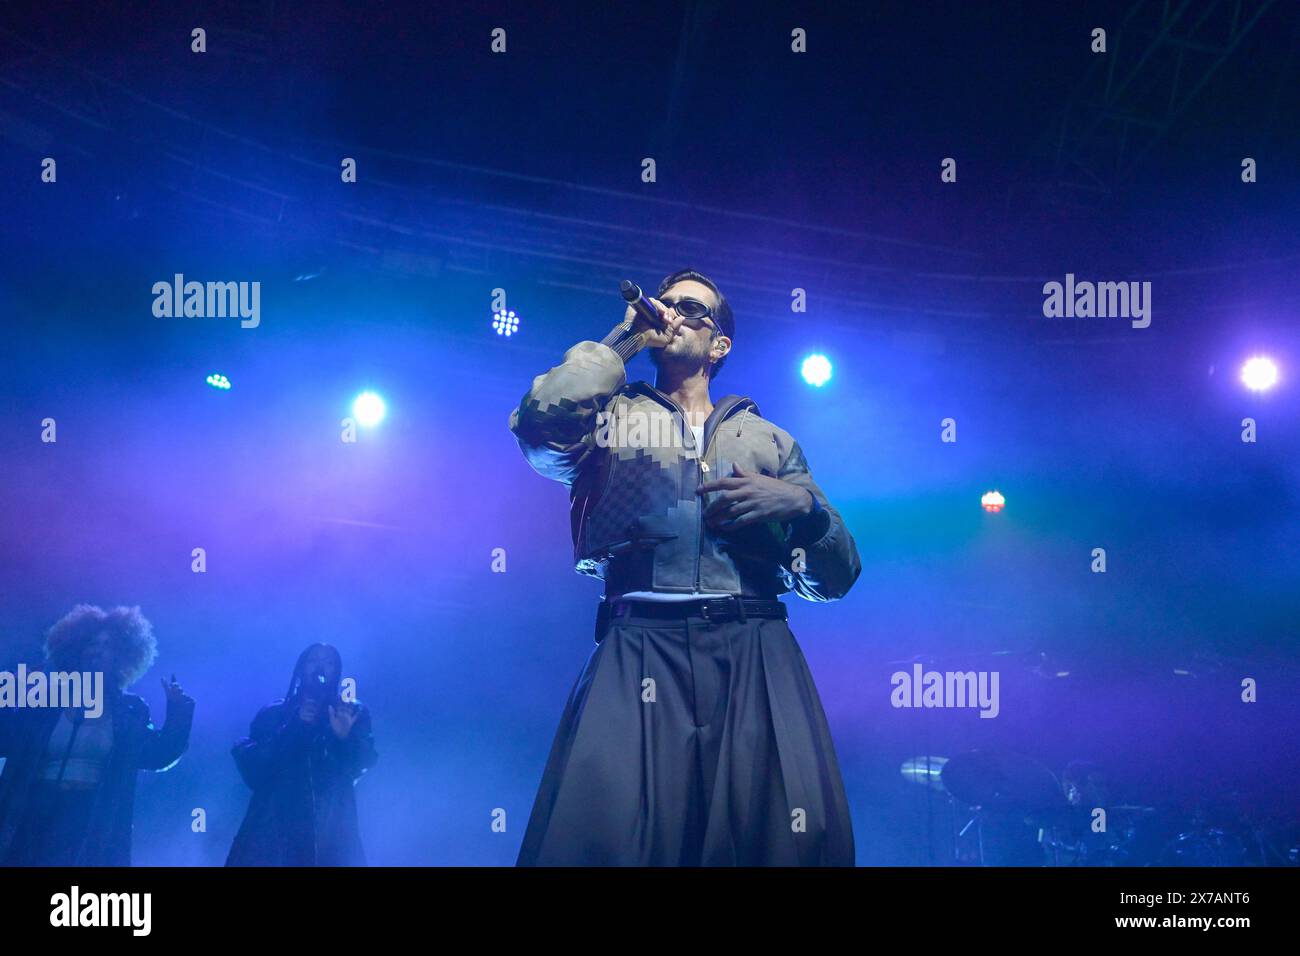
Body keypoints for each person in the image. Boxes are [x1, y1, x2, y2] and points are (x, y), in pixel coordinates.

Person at [509, 268, 861, 865]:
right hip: (638, 642)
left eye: (691, 309)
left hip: (751, 645)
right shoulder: (609, 420)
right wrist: (624, 338)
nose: (671, 313)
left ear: (719, 343)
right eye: (665, 303)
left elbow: (837, 576)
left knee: (774, 836)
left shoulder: (769, 439)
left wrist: (801, 507)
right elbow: (541, 428)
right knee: (601, 833)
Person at [0, 604, 194, 866]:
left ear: (122, 657)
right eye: (91, 644)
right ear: (74, 650)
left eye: (108, 646)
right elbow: (6, 740)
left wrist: (178, 711)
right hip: (34, 811)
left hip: (92, 818)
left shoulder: (130, 709)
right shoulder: (43, 702)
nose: (97, 651)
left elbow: (157, 756)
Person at [226, 643, 376, 866]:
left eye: (329, 662)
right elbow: (254, 770)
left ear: (337, 670)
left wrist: (343, 738)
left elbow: (359, 766)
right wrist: (294, 726)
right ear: (301, 667)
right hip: (274, 832)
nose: (321, 668)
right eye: (314, 660)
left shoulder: (351, 712)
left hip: (330, 830)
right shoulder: (274, 714)